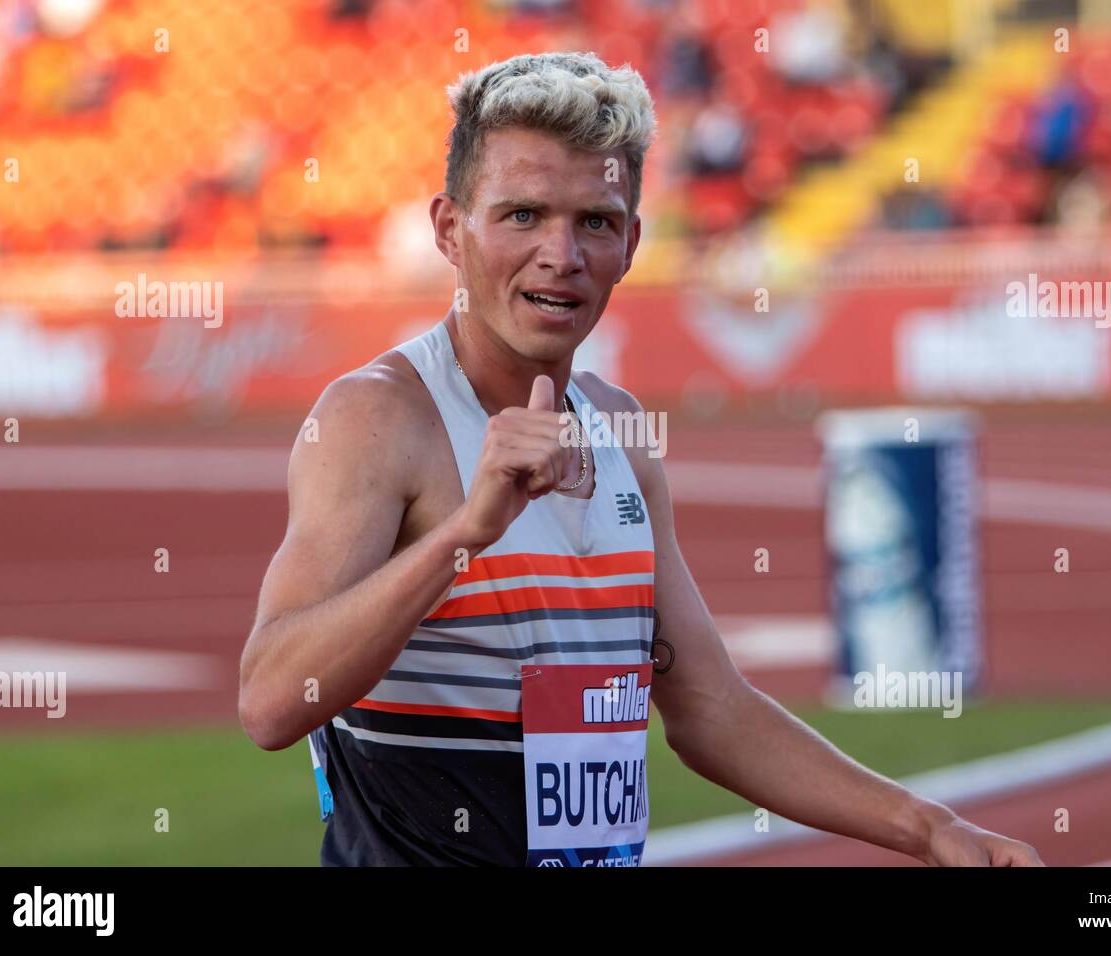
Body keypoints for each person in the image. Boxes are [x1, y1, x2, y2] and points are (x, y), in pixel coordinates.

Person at [237, 51, 1043, 868]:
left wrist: (932, 827)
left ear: (631, 243)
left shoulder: (619, 431)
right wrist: (465, 536)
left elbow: (708, 705)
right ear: (450, 229)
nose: (562, 254)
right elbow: (272, 699)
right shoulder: (376, 417)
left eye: (595, 220)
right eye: (522, 215)